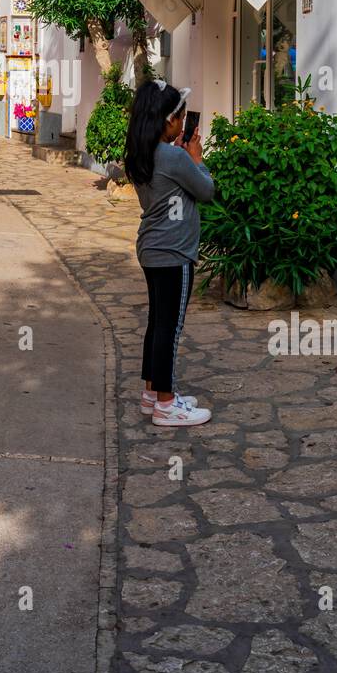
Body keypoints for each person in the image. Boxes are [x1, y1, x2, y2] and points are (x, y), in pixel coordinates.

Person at [124, 79, 215, 428]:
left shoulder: (141, 154)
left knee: (157, 324)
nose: (182, 122)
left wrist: (182, 158)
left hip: (151, 247)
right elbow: (206, 191)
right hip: (174, 252)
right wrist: (197, 160)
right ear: (168, 120)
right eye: (178, 116)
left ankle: (151, 392)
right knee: (170, 328)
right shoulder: (175, 156)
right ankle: (166, 403)